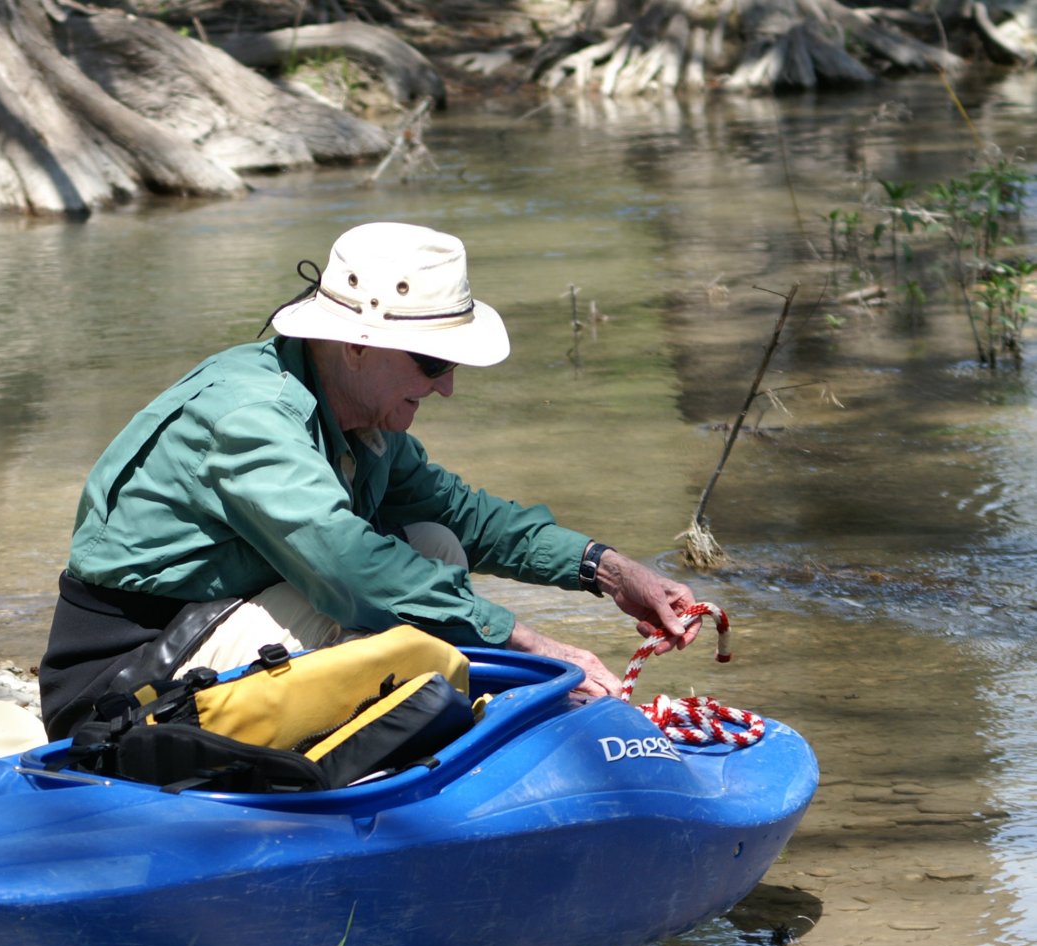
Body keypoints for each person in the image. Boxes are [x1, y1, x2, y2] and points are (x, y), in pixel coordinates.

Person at [39, 221, 701, 741]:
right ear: (355, 344)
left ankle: (394, 742)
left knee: (434, 543)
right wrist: (530, 646)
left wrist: (609, 572)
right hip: (121, 686)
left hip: (207, 633)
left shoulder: (358, 420)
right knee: (400, 621)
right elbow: (350, 570)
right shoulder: (251, 415)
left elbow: (471, 519)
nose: (445, 387)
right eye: (433, 361)